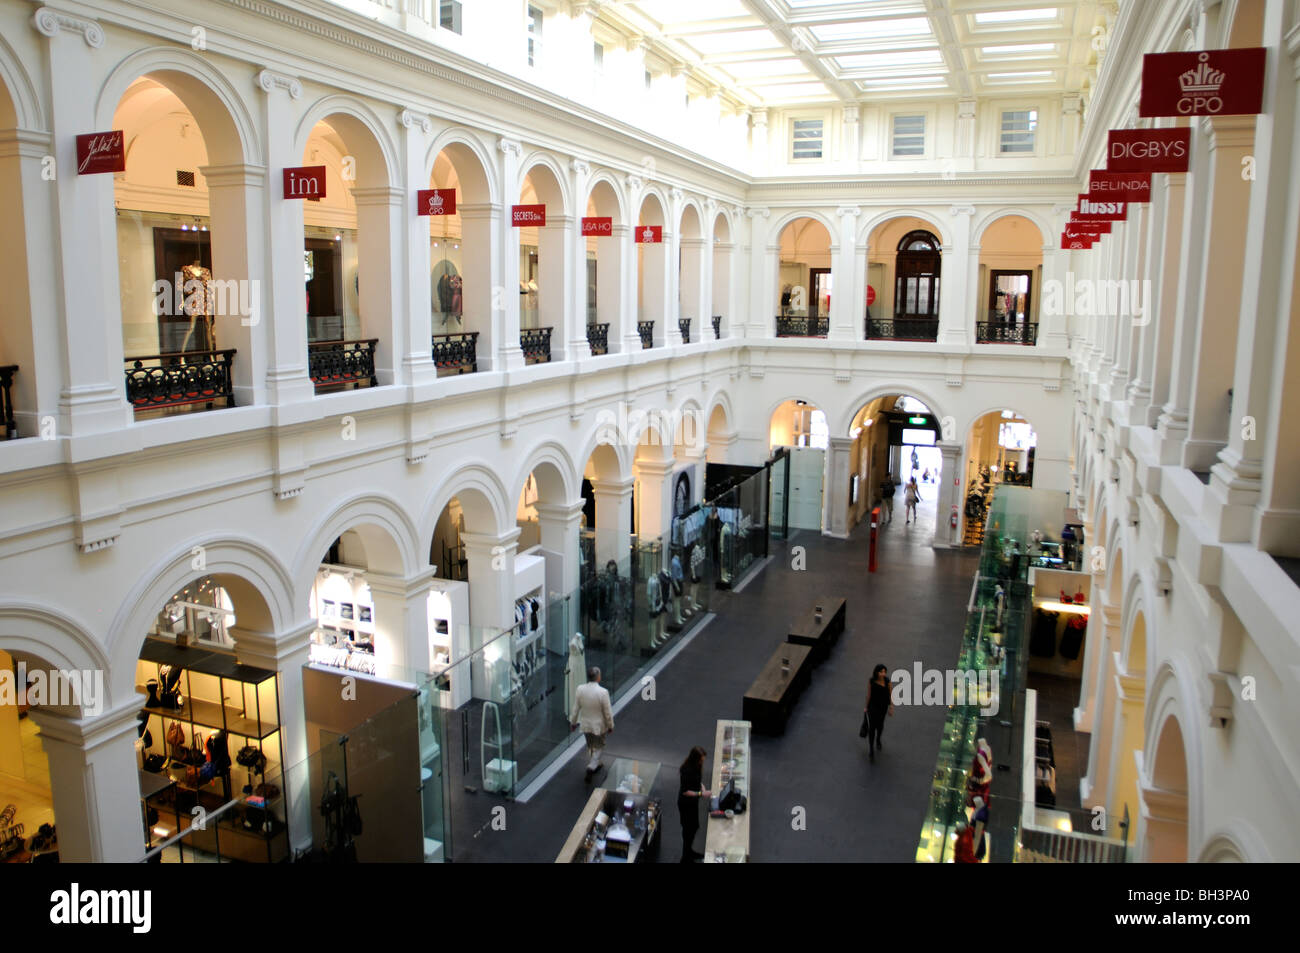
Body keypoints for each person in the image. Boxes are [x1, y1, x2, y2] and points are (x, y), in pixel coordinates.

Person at [570, 666, 614, 781]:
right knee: (599, 745)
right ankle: (592, 765)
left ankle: (596, 762)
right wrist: (610, 725)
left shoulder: (580, 689)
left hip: (585, 724)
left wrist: (573, 722)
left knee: (590, 745)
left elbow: (575, 708)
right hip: (599, 726)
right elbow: (607, 712)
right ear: (598, 677)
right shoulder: (603, 692)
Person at [678, 746, 711, 862]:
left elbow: (697, 780)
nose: (702, 761)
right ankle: (685, 857)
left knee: (694, 827)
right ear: (695, 758)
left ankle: (688, 851)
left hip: (692, 803)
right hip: (686, 804)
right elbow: (686, 792)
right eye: (701, 759)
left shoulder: (696, 766)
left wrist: (701, 786)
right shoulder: (686, 770)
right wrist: (702, 794)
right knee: (688, 829)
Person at [862, 664, 894, 760]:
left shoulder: (887, 681)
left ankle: (878, 739)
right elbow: (869, 694)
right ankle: (871, 749)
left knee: (880, 725)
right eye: (881, 672)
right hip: (873, 707)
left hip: (883, 707)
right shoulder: (871, 681)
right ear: (876, 672)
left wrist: (891, 707)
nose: (883, 674)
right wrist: (866, 707)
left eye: (884, 672)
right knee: (872, 728)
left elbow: (891, 694)